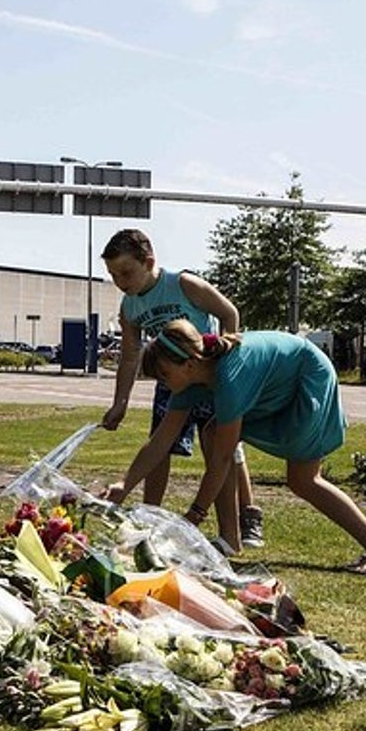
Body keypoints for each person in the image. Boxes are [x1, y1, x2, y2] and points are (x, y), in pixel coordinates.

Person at [105, 319, 366, 576]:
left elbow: (223, 458)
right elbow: (160, 441)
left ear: (190, 364)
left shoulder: (230, 378)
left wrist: (194, 516)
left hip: (306, 376)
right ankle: (230, 539)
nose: (163, 384)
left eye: (165, 375)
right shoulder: (191, 380)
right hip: (277, 382)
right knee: (213, 432)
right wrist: (123, 484)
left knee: (304, 480)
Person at [99, 228, 262, 552]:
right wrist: (120, 402)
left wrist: (227, 363)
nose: (120, 282)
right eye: (113, 275)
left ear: (149, 262)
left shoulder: (183, 284)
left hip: (206, 375)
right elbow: (130, 356)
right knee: (160, 445)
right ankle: (150, 517)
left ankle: (246, 516)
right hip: (172, 380)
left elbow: (229, 313)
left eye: (126, 272)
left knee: (222, 449)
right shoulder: (129, 307)